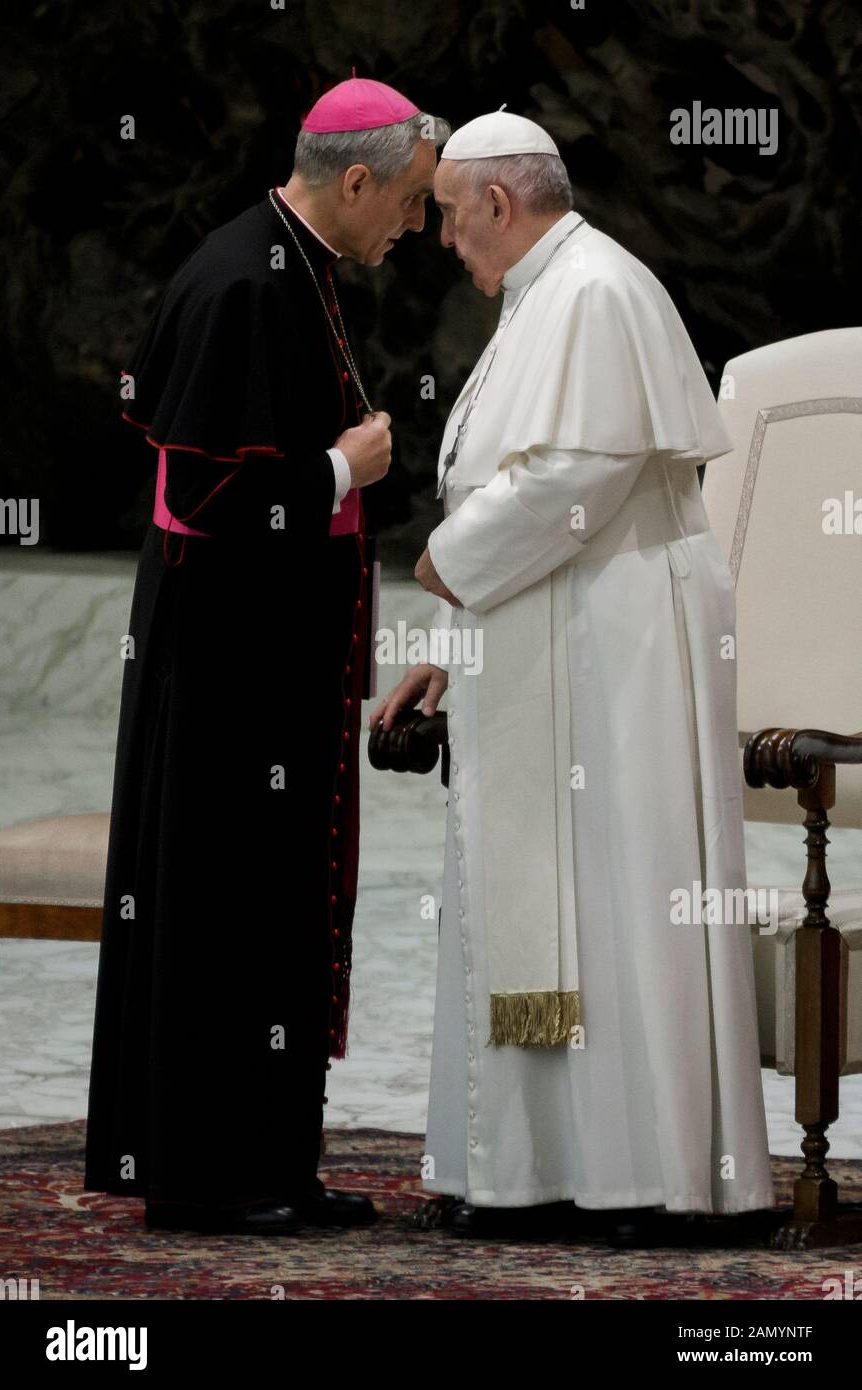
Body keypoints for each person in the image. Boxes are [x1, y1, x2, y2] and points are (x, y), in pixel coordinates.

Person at [371, 111, 775, 1246]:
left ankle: (652, 1178)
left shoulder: (594, 290)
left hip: (621, 649)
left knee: (617, 899)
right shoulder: (540, 296)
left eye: (449, 216)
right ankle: (537, 1170)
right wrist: (447, 653)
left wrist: (448, 563)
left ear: (497, 202)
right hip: (551, 633)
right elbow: (524, 488)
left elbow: (576, 478)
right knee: (543, 908)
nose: (444, 240)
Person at [84, 78, 450, 1236]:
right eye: (405, 203)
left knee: (275, 913)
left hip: (267, 669)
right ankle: (209, 1176)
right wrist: (346, 471)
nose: (413, 228)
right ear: (353, 179)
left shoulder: (295, 262)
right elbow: (205, 494)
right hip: (226, 680)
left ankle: (274, 1164)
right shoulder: (246, 278)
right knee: (224, 910)